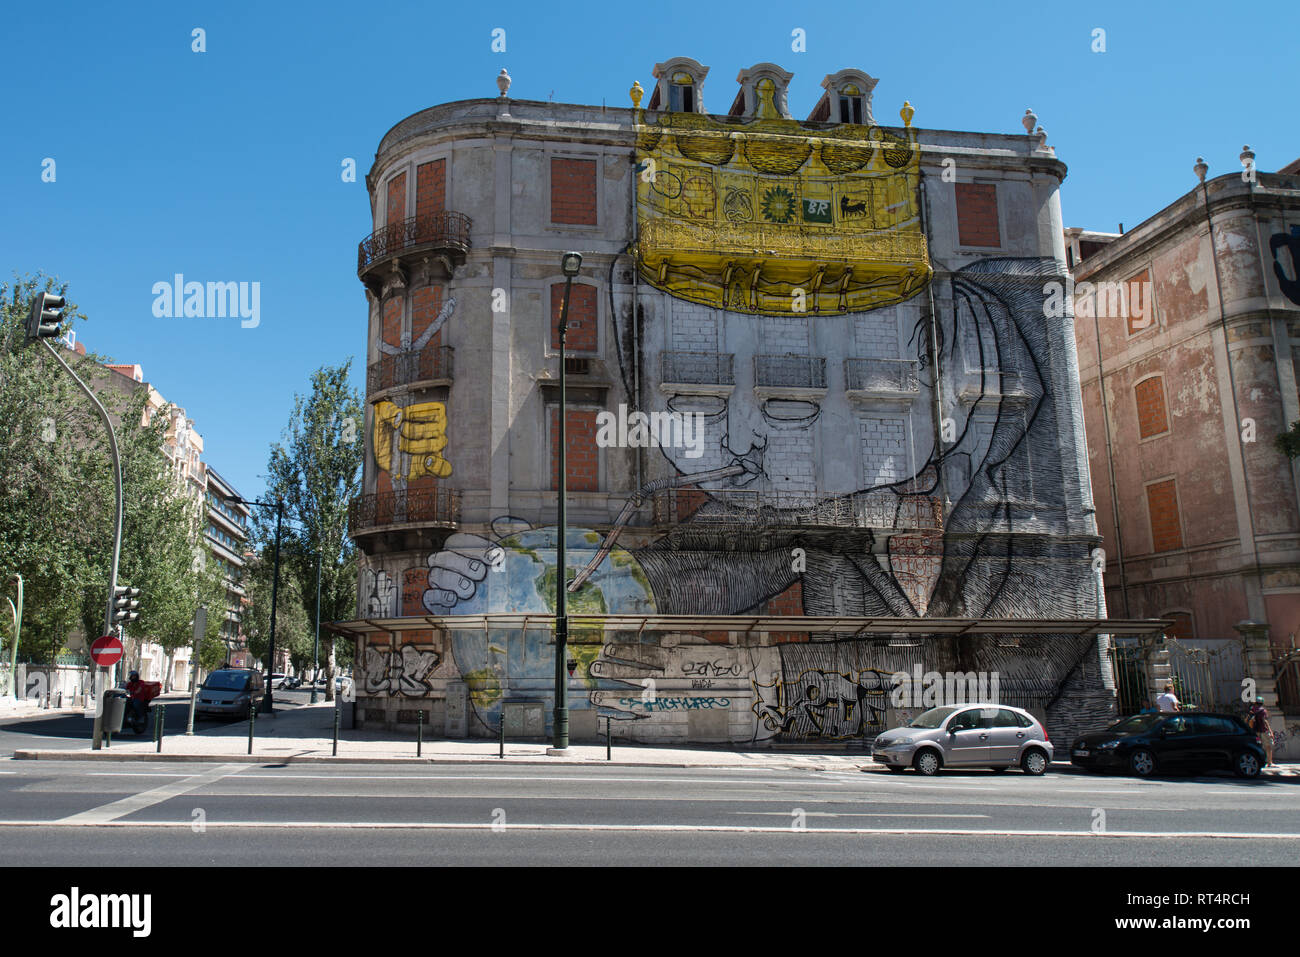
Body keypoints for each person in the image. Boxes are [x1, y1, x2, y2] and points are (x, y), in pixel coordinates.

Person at [1248, 696, 1274, 767]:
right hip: (1263, 730)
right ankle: (1269, 762)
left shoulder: (1252, 709)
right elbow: (1265, 721)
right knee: (1268, 746)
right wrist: (1270, 731)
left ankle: (1258, 762)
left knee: (1257, 747)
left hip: (1255, 731)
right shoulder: (1263, 711)